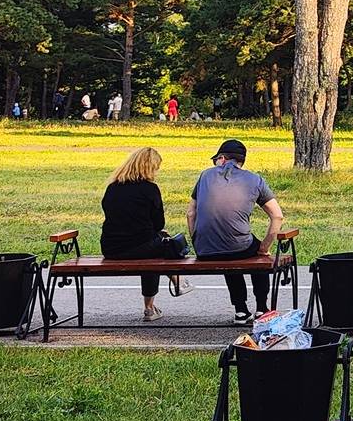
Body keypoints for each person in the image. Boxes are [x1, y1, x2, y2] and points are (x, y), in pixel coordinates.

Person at [189, 139, 284, 325]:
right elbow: (277, 216)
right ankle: (262, 308)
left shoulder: (205, 176)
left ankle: (240, 310)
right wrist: (264, 248)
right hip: (238, 247)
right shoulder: (255, 180)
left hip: (205, 250)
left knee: (228, 250)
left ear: (222, 158)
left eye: (215, 160)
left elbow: (190, 213)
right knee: (256, 255)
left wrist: (197, 241)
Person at [100, 147, 193, 321]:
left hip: (111, 248)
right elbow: (159, 224)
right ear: (149, 167)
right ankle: (154, 303)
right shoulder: (150, 189)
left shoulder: (112, 187)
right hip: (140, 247)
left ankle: (174, 284)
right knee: (160, 249)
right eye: (156, 168)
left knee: (154, 247)